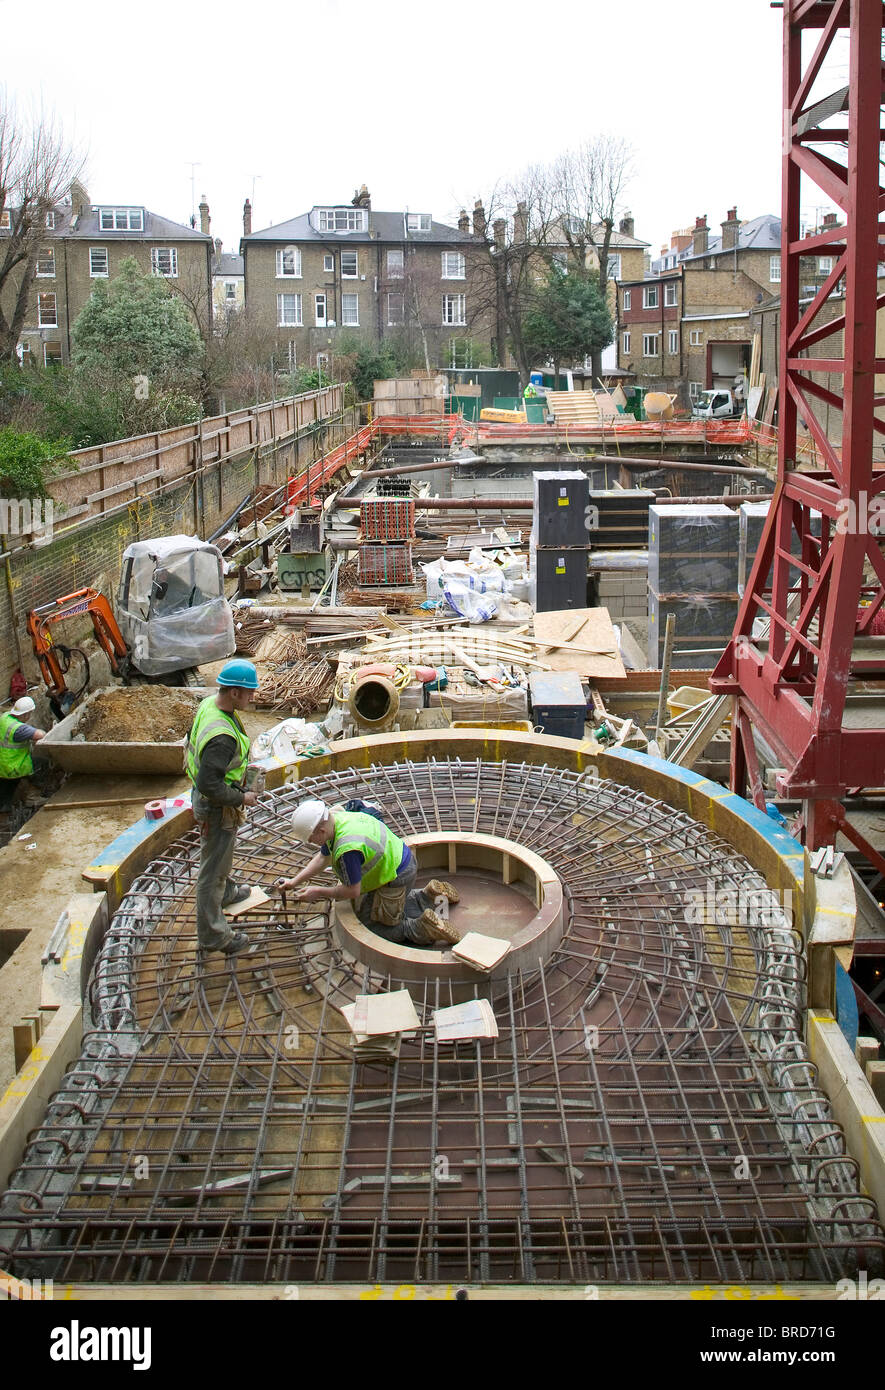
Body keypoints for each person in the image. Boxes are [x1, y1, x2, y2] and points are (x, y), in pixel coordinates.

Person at [278, 799, 461, 947]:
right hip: (402, 862)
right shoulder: (339, 817)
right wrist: (294, 882)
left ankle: (421, 928)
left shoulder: (347, 850)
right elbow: (322, 858)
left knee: (372, 924)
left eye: (311, 839)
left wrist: (318, 892)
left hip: (397, 877)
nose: (312, 842)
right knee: (385, 906)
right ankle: (429, 896)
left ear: (321, 830)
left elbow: (352, 891)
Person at [185, 660, 260, 956]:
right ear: (234, 693)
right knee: (212, 870)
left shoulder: (210, 705)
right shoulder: (221, 738)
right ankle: (213, 935)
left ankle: (226, 892)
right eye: (248, 693)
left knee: (220, 860)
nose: (252, 698)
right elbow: (209, 784)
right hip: (215, 806)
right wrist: (242, 798)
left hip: (209, 798)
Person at [0, 697, 47, 813]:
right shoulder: (19, 729)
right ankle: (32, 798)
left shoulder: (5, 718)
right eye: (30, 713)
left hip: (2, 765)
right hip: (13, 767)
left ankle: (4, 813)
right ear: (26, 714)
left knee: (5, 794)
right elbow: (40, 735)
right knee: (42, 763)